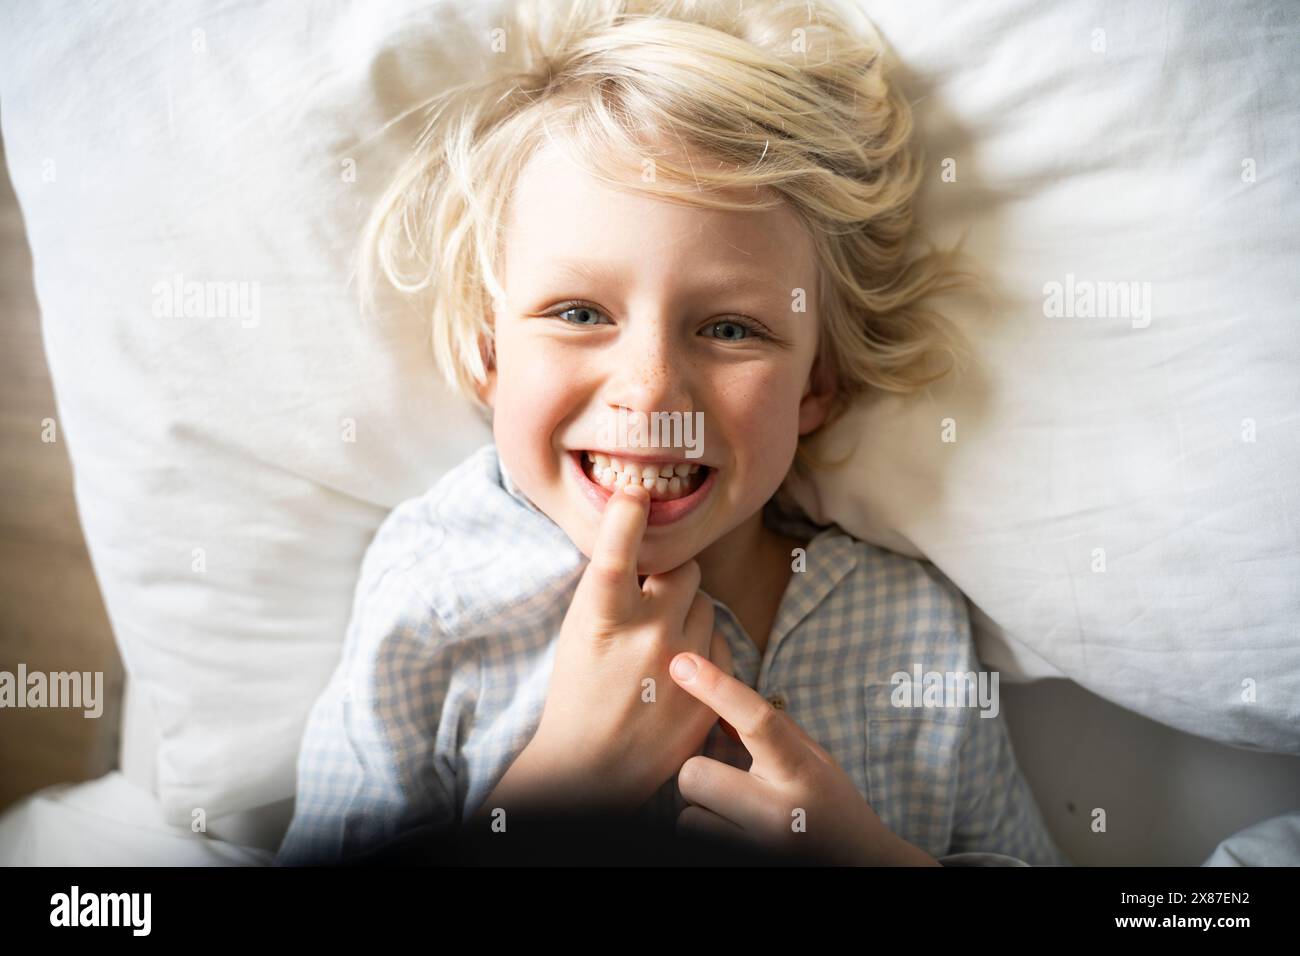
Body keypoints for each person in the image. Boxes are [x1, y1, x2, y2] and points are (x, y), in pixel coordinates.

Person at [276, 0, 1069, 867]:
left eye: (731, 329)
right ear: (488, 353)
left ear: (819, 385)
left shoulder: (911, 627)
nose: (651, 394)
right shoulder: (434, 596)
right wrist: (567, 784)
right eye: (578, 313)